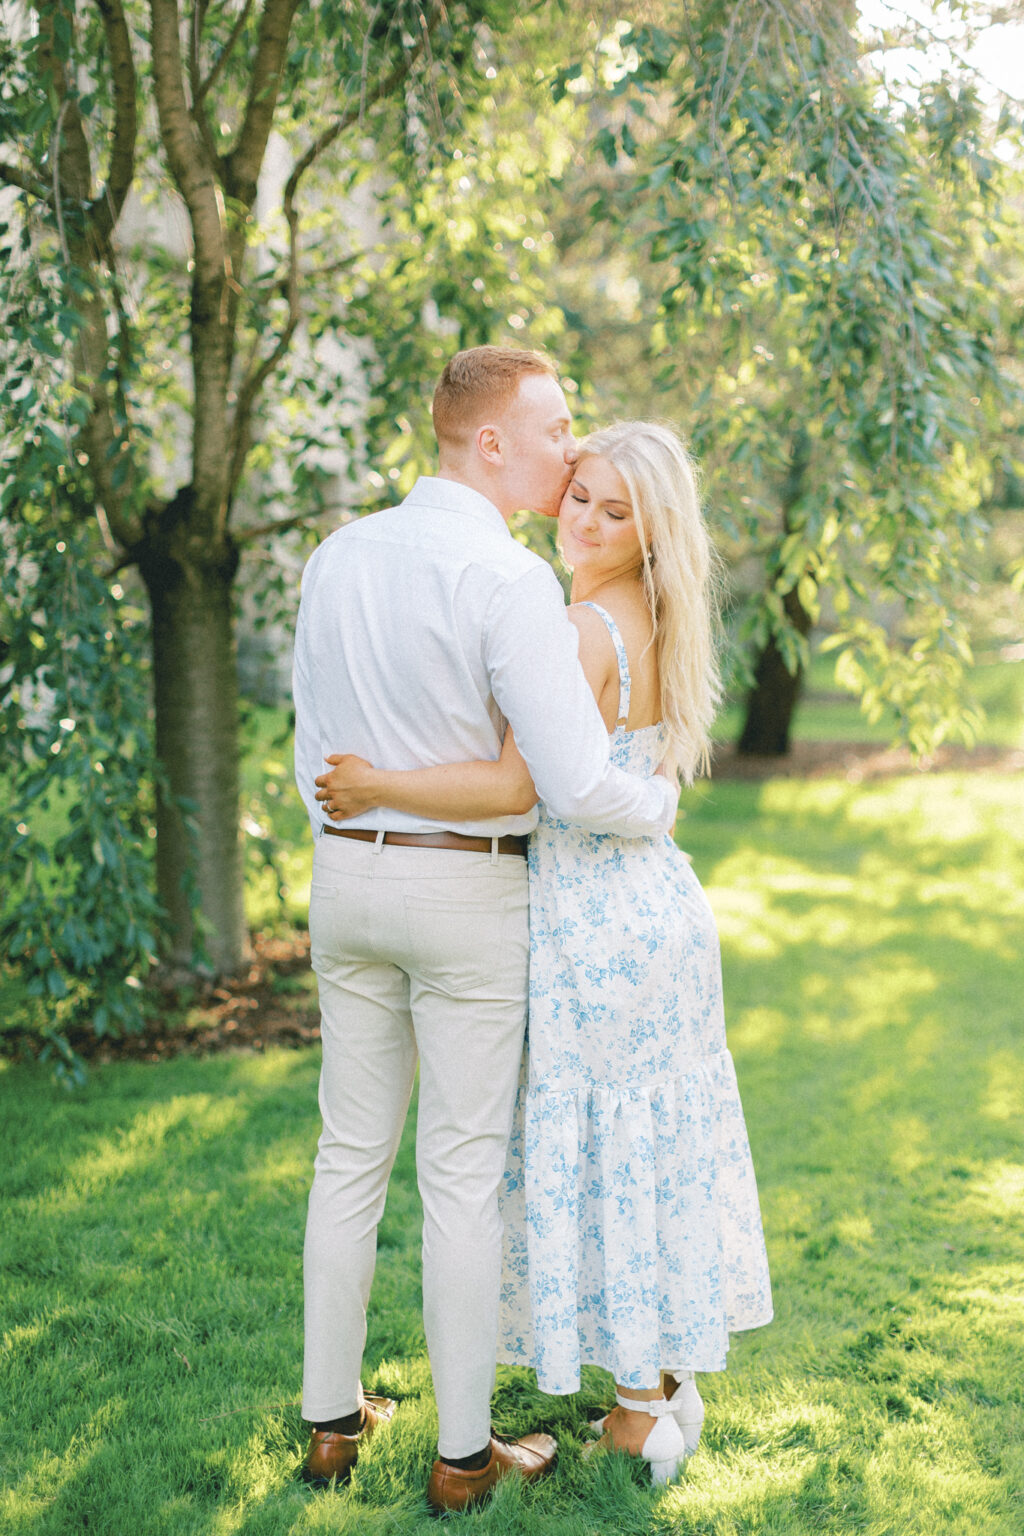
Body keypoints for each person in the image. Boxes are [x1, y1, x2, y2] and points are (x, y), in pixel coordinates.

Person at [316, 420, 773, 1487]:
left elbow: (524, 789)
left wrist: (378, 786)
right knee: (648, 1149)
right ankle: (658, 1382)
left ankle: (636, 1411)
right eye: (580, 497)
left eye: (618, 512)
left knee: (605, 1152)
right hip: (654, 904)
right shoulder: (654, 615)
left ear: (654, 530)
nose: (585, 521)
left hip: (591, 916)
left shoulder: (573, 627)